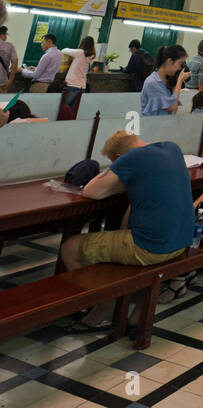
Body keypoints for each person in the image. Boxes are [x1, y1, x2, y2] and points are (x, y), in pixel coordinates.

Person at [59, 128, 195, 329]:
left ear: (119, 157)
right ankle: (134, 310)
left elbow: (91, 191)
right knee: (118, 235)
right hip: (182, 240)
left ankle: (104, 307)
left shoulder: (132, 158)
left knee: (70, 248)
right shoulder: (171, 148)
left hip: (152, 247)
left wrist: (118, 176)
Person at [141, 44, 190, 116]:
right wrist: (179, 81)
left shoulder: (168, 82)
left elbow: (174, 111)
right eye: (180, 64)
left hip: (166, 124)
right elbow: (171, 107)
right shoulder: (152, 82)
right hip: (152, 126)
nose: (180, 68)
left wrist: (176, 83)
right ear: (170, 61)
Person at [61, 36, 96, 113]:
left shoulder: (80, 52)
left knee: (63, 108)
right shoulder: (92, 56)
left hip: (72, 84)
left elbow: (64, 50)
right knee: (73, 111)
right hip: (82, 86)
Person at [0, 25, 19, 90]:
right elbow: (15, 62)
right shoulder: (9, 46)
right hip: (2, 83)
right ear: (3, 35)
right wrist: (10, 80)